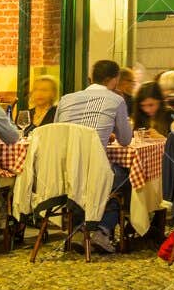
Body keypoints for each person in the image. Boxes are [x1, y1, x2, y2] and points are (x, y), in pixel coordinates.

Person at [55, 59, 134, 254]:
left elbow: (56, 132)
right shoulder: (116, 100)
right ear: (114, 79)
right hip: (93, 171)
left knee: (86, 177)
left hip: (62, 171)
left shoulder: (66, 99)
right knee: (123, 177)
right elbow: (125, 140)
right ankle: (102, 229)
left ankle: (79, 229)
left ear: (91, 78)